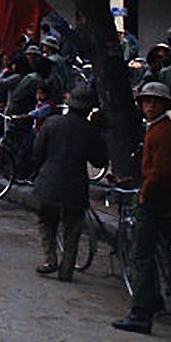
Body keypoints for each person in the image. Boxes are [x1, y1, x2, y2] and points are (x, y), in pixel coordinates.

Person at [114, 81, 171, 334]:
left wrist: (145, 193)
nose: (150, 106)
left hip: (160, 198)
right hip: (165, 194)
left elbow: (161, 171)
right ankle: (154, 298)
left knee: (141, 254)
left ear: (163, 105)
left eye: (155, 102)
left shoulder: (162, 131)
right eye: (146, 102)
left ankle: (141, 311)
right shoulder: (157, 129)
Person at [30, 87, 106, 281]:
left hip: (50, 181)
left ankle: (50, 259)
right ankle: (67, 268)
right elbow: (99, 161)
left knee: (47, 222)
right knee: (72, 228)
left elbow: (37, 152)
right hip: (75, 185)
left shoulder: (52, 123)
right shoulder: (90, 131)